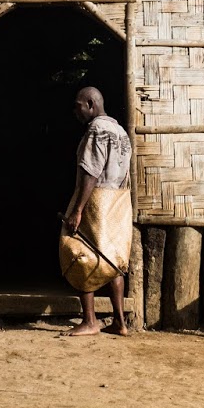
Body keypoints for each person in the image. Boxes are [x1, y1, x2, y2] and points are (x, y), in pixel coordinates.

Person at [58, 86, 132, 337]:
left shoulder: (96, 129)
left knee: (79, 253)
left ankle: (90, 321)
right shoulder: (120, 131)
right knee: (113, 260)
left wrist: (78, 210)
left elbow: (91, 171)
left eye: (78, 105)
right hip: (117, 201)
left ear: (91, 103)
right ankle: (120, 322)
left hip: (96, 200)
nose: (75, 111)